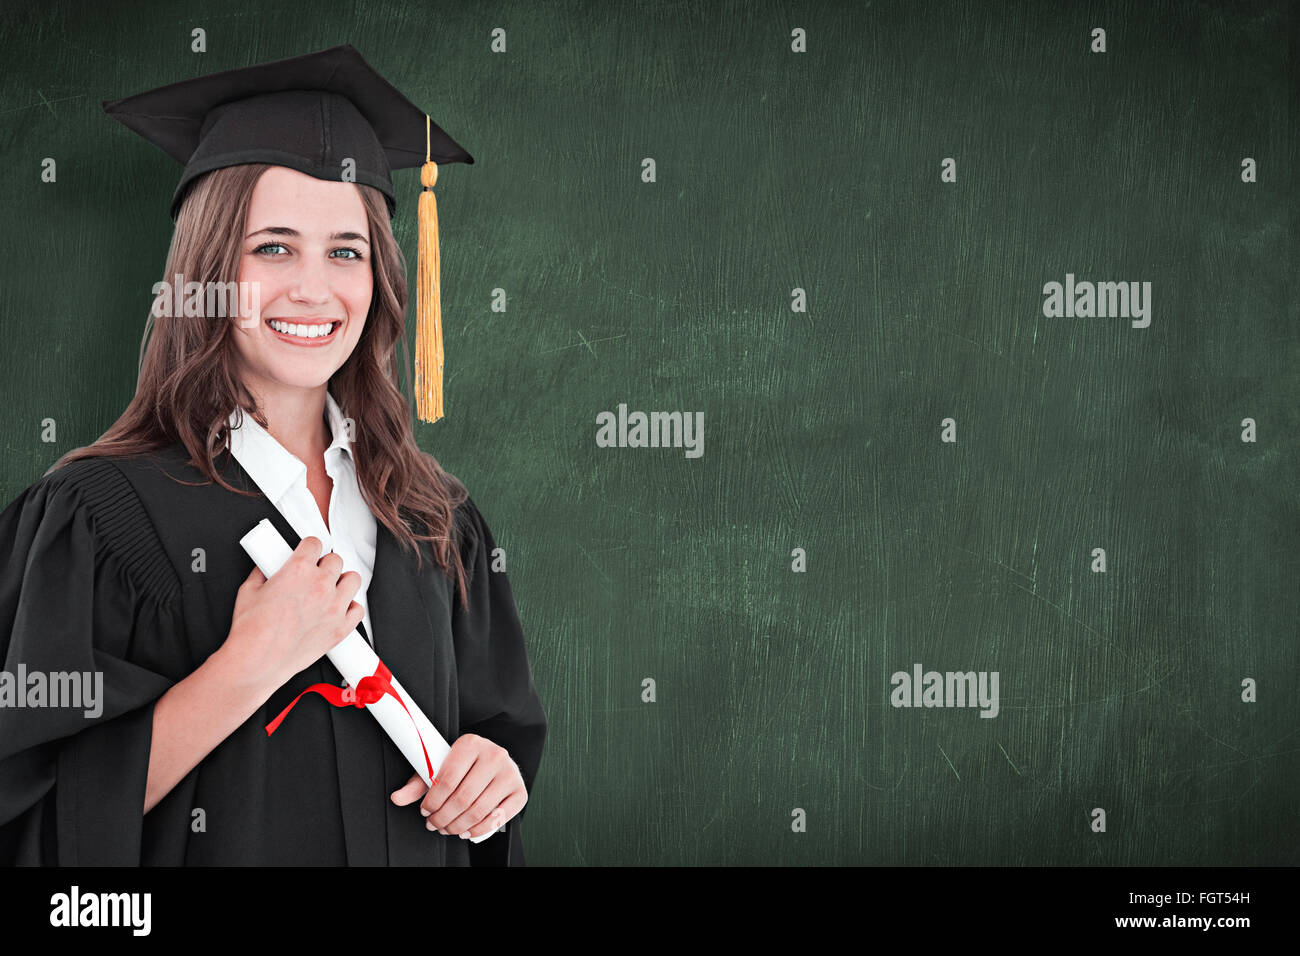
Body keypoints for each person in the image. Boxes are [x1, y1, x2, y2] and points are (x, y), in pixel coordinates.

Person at [0, 46, 546, 865]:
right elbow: (36, 814)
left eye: (346, 251)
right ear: (209, 269)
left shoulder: (436, 518)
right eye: (274, 248)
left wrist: (493, 775)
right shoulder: (98, 516)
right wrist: (249, 664)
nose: (313, 290)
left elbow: (492, 736)